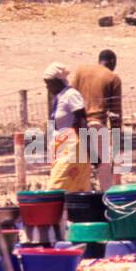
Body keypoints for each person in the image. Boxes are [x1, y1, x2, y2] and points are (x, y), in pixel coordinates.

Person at [71, 49, 122, 189]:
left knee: (82, 168)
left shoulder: (81, 71)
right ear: (112, 62)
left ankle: (82, 200)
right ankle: (108, 202)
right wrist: (118, 141)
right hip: (97, 125)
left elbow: (71, 95)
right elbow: (116, 112)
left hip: (78, 126)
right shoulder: (113, 78)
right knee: (103, 168)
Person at [44, 62, 91, 192]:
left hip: (72, 151)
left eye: (49, 83)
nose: (47, 87)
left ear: (59, 81)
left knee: (55, 189)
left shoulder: (71, 95)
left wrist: (89, 149)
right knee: (69, 191)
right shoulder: (60, 97)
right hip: (61, 150)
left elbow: (82, 120)